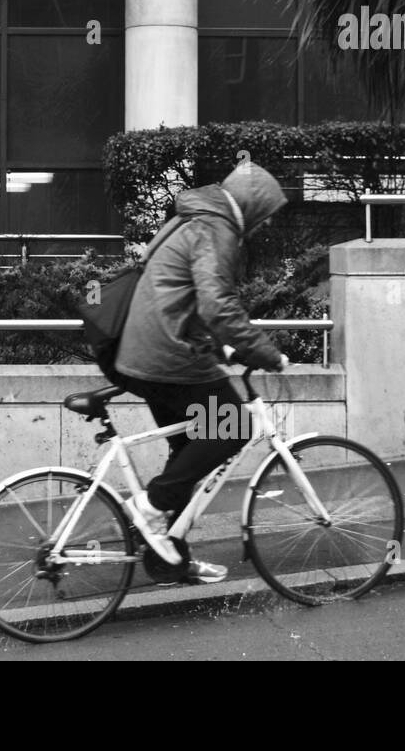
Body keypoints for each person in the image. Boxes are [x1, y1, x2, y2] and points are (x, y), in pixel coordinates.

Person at [113, 161, 290, 585]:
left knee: (187, 453)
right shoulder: (217, 227)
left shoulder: (193, 218)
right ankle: (149, 509)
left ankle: (167, 557)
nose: (263, 226)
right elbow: (218, 304)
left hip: (143, 354)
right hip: (167, 357)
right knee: (229, 430)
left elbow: (184, 295)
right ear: (252, 205)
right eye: (264, 216)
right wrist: (265, 353)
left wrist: (223, 346)